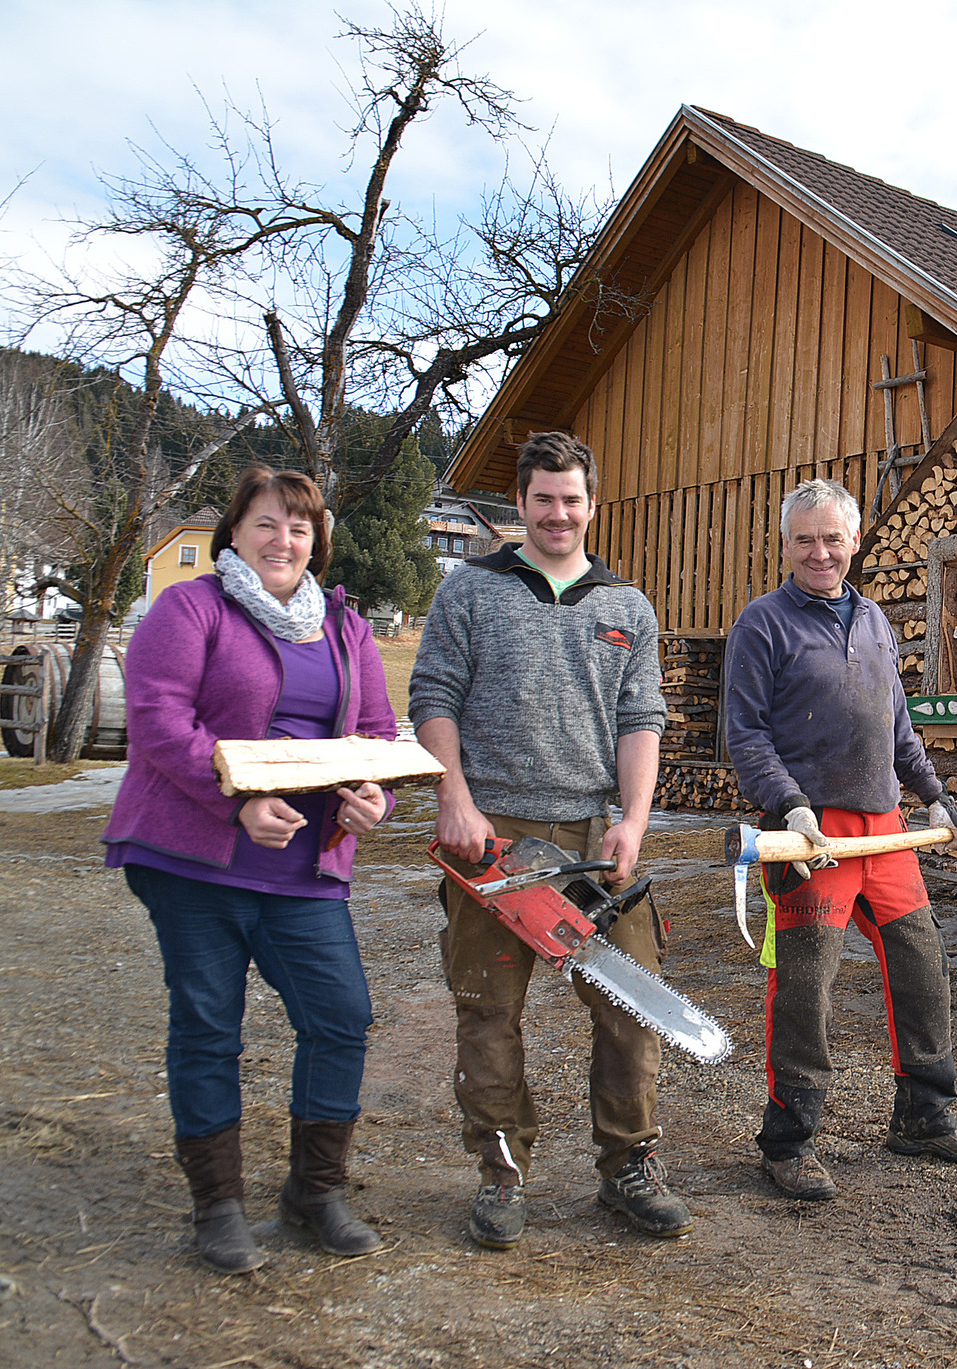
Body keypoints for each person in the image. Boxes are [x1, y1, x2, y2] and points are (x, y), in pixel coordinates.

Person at [104, 467, 395, 1274]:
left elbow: (373, 732)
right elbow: (159, 720)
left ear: (317, 543)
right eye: (267, 524)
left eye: (299, 529)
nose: (283, 540)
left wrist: (374, 798)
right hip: (196, 857)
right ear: (235, 532)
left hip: (306, 865)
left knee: (340, 1016)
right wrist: (237, 801)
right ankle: (218, 1205)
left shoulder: (345, 628)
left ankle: (315, 1191)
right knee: (208, 1024)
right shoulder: (191, 607)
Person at [408, 430, 687, 1248]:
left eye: (572, 499)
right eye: (542, 498)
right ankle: (501, 1173)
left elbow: (642, 720)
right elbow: (433, 697)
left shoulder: (626, 607)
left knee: (633, 1007)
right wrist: (452, 798)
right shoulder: (470, 590)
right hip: (490, 837)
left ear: (592, 505)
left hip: (595, 840)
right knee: (488, 1012)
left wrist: (633, 820)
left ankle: (628, 1164)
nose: (557, 513)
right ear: (521, 504)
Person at [723, 477, 957, 1202]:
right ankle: (789, 1139)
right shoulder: (763, 624)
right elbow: (744, 734)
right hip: (811, 835)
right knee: (805, 987)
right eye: (805, 538)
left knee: (921, 964)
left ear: (852, 542)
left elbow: (898, 732)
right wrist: (790, 806)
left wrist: (939, 797)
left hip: (885, 831)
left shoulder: (874, 620)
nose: (820, 552)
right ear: (786, 545)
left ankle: (924, 1114)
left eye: (832, 538)